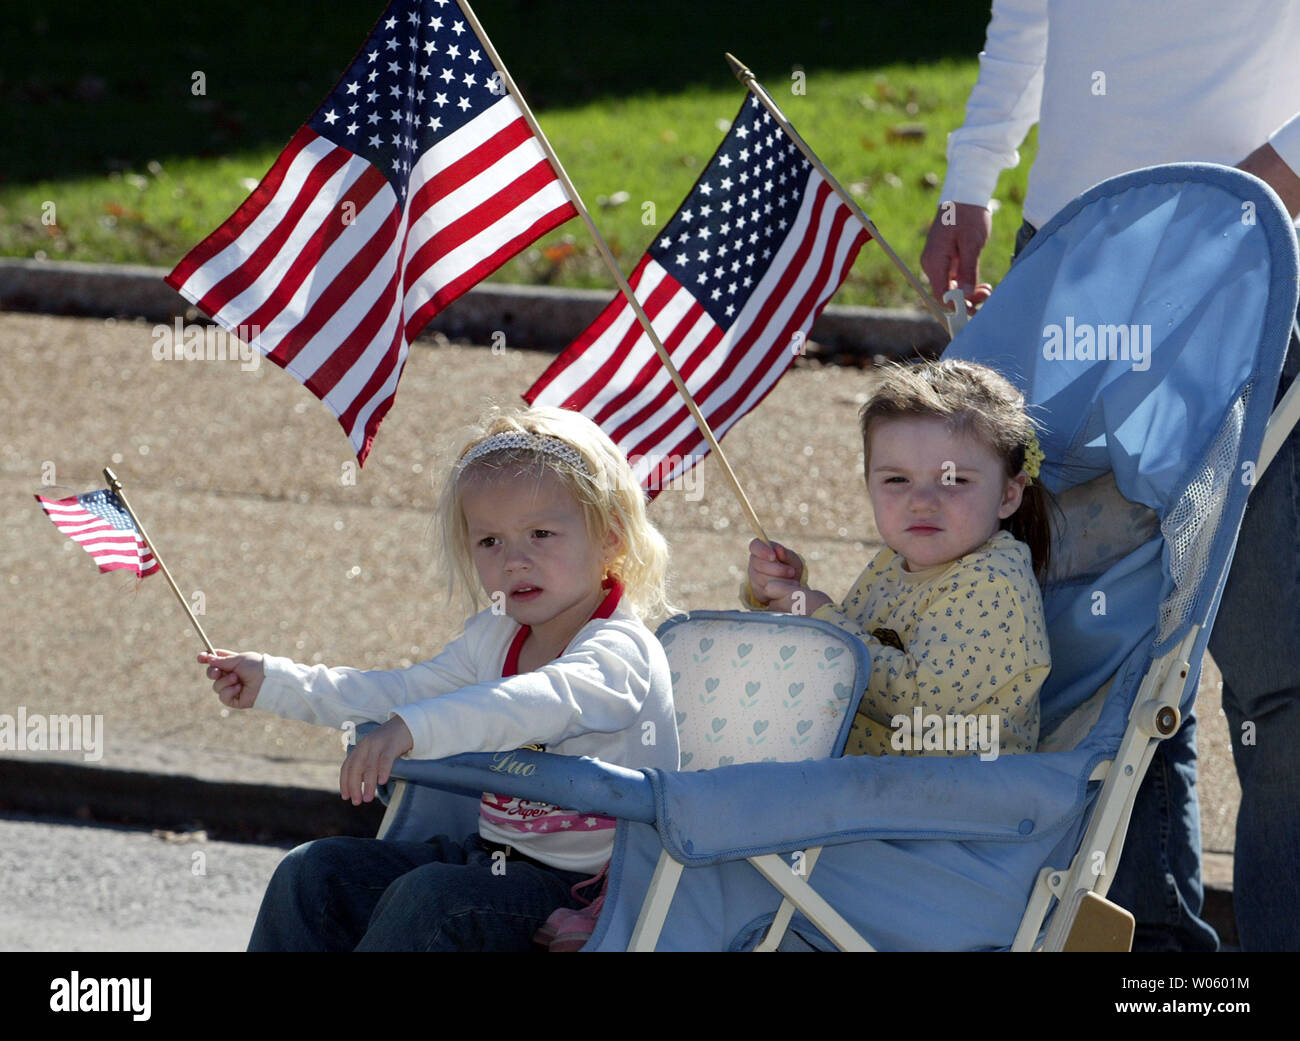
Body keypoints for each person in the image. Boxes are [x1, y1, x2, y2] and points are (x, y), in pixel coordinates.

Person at [919, 0, 1300, 951]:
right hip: (1068, 263)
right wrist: (973, 172)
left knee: (1278, 680)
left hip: (1248, 272)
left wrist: (1277, 175)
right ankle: (1160, 968)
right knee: (1106, 674)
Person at [198, 405, 678, 951]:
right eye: (489, 541)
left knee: (433, 898)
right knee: (314, 870)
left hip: (592, 894)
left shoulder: (620, 651)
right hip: (490, 859)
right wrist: (276, 682)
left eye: (541, 533)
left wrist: (412, 729)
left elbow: (534, 701)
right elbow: (401, 691)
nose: (514, 560)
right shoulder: (493, 636)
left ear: (612, 537)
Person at [745, 359, 1052, 759]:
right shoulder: (896, 560)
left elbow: (918, 708)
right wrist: (787, 592)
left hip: (953, 805)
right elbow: (861, 638)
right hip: (880, 789)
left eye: (953, 480)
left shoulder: (993, 585)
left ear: (1009, 495)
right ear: (869, 483)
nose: (922, 503)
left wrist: (820, 619)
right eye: (896, 480)